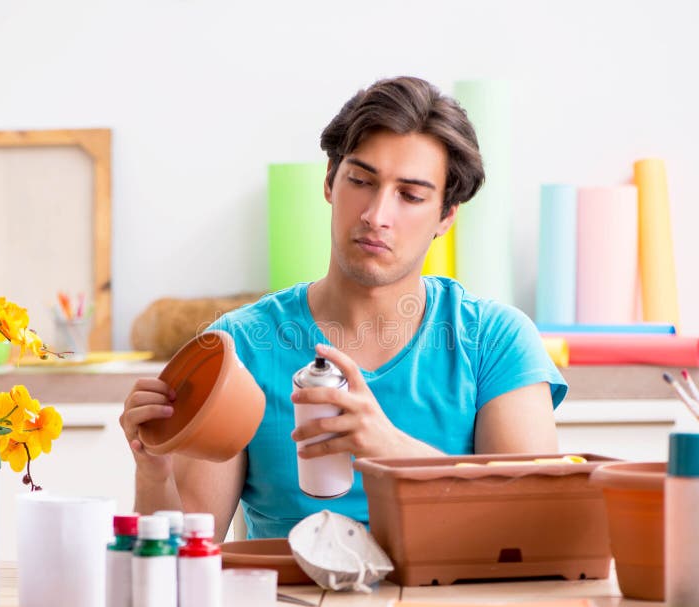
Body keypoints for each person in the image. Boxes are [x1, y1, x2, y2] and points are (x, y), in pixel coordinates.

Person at [120, 76, 567, 541]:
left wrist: (392, 449)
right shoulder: (242, 347)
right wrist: (154, 474)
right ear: (330, 180)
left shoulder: (495, 341)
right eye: (361, 180)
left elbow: (533, 528)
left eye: (410, 195)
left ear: (446, 216)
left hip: (446, 606)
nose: (376, 214)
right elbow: (189, 548)